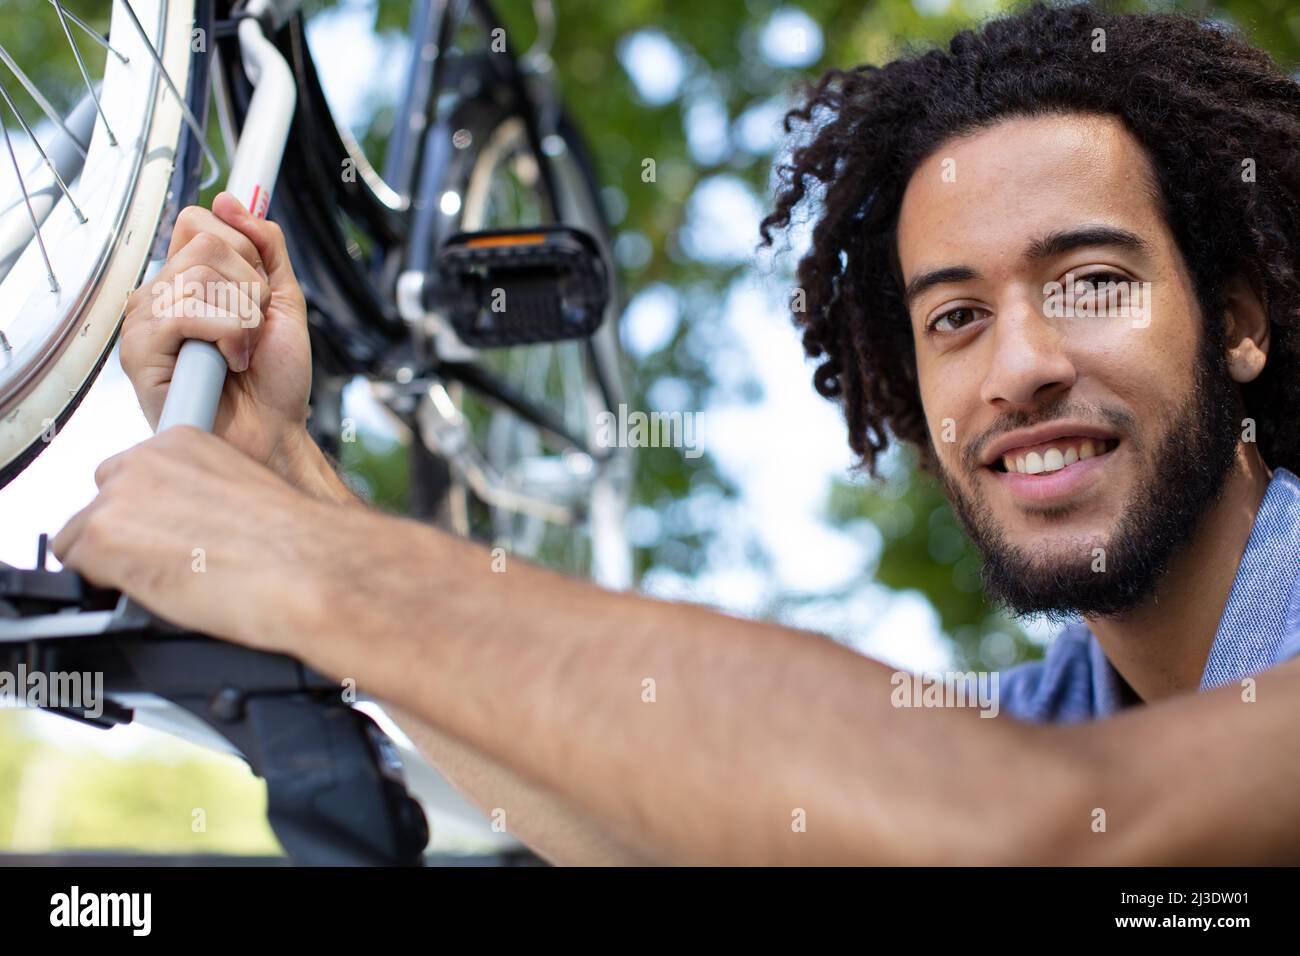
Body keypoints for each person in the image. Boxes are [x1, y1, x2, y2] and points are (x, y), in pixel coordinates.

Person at [51, 2, 1299, 864]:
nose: (1020, 365)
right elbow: (651, 823)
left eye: (1089, 280)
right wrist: (288, 464)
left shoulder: (1066, 774)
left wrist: (303, 560)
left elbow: (1062, 828)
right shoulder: (1060, 713)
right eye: (957, 314)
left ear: (1235, 322)